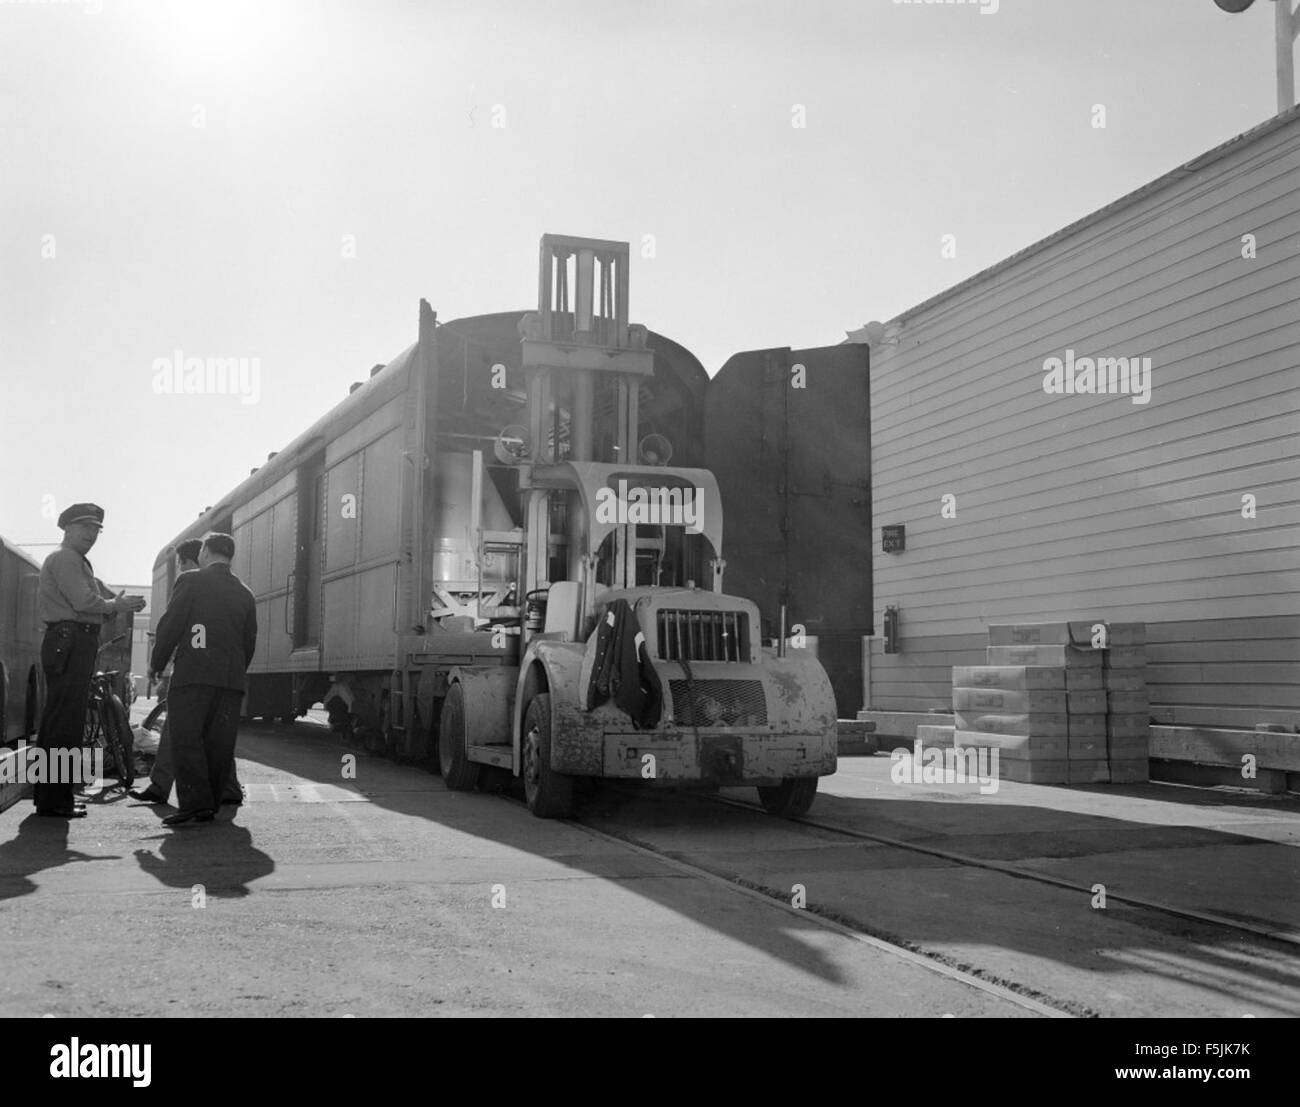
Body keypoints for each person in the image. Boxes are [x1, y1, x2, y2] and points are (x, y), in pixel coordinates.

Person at [34, 503, 146, 818]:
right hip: (70, 642)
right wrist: (116, 605)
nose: (91, 534)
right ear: (67, 529)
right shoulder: (67, 559)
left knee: (62, 720)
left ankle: (53, 797)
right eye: (85, 527)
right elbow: (83, 601)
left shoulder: (71, 559)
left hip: (69, 641)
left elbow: (85, 606)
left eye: (96, 529)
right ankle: (55, 800)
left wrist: (110, 607)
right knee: (65, 722)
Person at [148, 532, 256, 826]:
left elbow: (172, 624)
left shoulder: (190, 581)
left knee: (186, 738)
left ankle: (195, 804)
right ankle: (210, 804)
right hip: (230, 680)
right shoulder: (245, 593)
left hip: (193, 675)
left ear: (205, 552)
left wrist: (157, 663)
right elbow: (249, 642)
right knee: (219, 744)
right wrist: (235, 670)